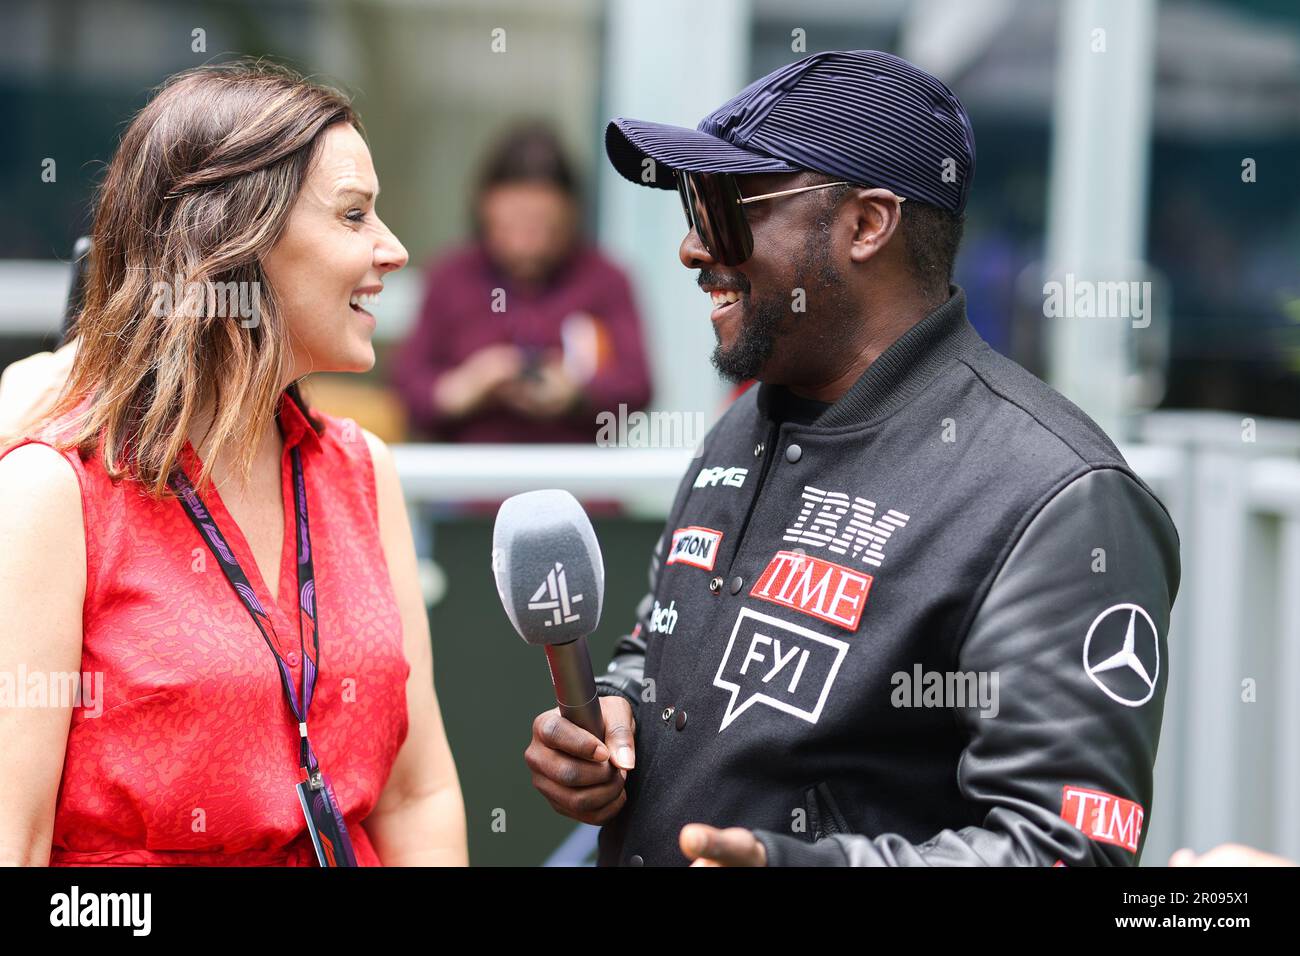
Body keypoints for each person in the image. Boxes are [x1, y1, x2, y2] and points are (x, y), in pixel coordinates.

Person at [524, 50, 1181, 866]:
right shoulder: (745, 424)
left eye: (728, 206)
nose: (694, 247)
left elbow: (1066, 848)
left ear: (867, 224)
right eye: (695, 205)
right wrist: (613, 718)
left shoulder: (1057, 495)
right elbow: (658, 644)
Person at [0, 61, 467, 866]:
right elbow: (16, 838)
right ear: (233, 242)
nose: (393, 250)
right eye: (353, 215)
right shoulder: (54, 491)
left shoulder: (362, 472)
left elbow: (413, 794)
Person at [392, 123, 651, 444]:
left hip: (579, 483)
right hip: (469, 484)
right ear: (484, 213)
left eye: (543, 227)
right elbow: (406, 391)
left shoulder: (606, 280)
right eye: (511, 227)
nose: (526, 246)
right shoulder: (451, 277)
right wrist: (466, 387)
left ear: (571, 216)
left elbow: (638, 387)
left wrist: (578, 393)